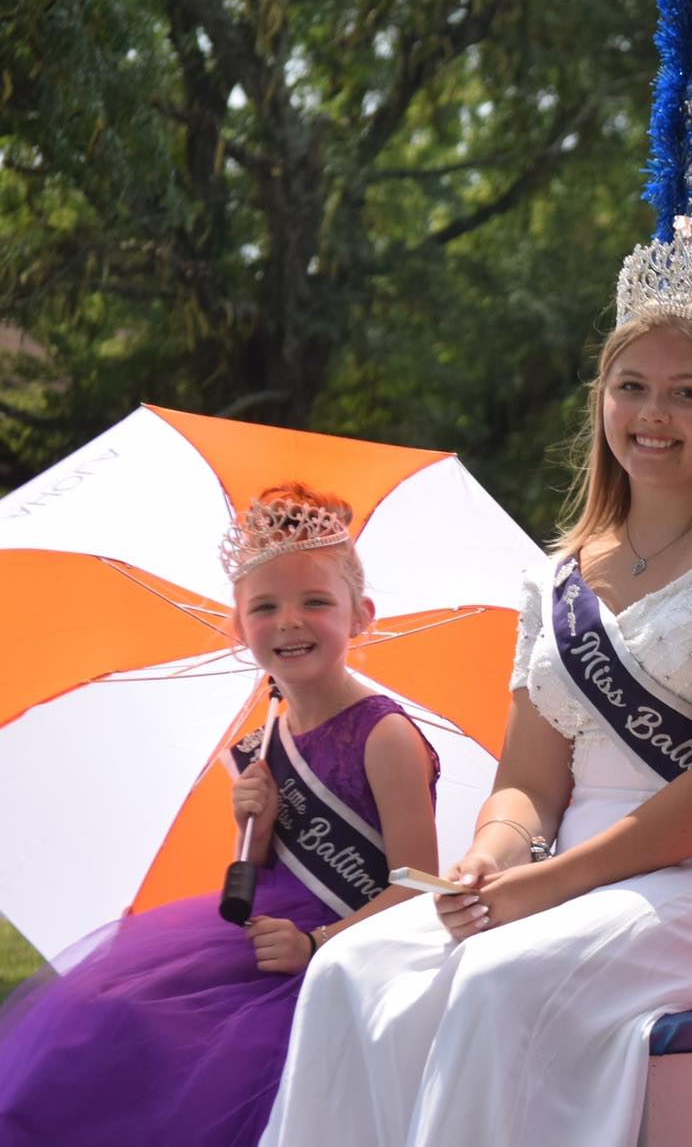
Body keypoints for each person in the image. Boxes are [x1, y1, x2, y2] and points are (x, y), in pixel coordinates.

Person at [261, 230, 692, 1146]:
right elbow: (529, 783)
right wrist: (491, 857)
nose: (653, 414)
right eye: (631, 387)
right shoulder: (555, 579)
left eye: (688, 393)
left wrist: (542, 888)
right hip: (566, 882)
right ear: (602, 400)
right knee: (351, 970)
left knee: (501, 977)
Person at [0, 483, 441, 1147]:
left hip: (344, 951)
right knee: (104, 1012)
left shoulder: (385, 735)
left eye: (315, 602)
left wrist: (316, 944)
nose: (289, 621)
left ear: (360, 616)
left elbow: (420, 888)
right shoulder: (260, 743)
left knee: (220, 1065)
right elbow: (259, 871)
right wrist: (254, 831)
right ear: (238, 627)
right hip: (257, 937)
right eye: (264, 607)